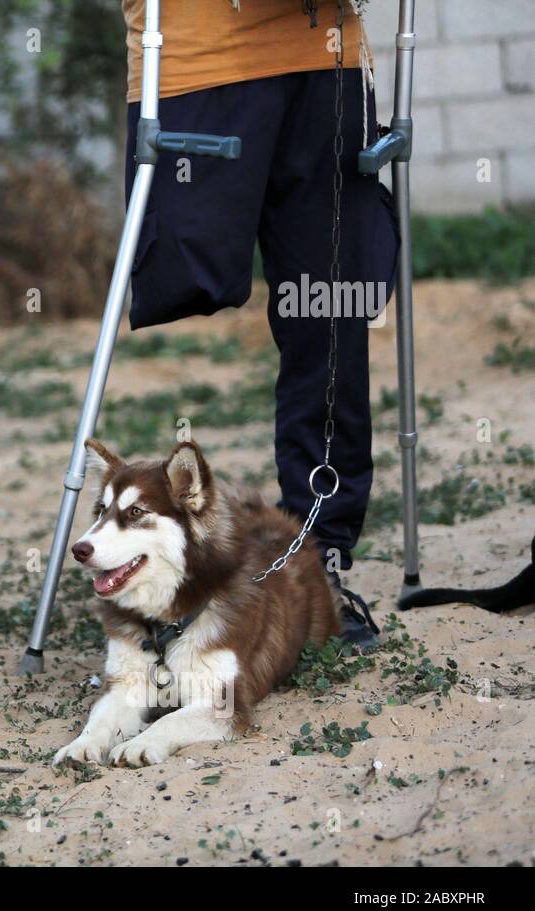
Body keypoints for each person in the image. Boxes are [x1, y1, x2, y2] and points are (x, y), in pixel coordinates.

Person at [120, 0, 391, 650]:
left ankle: (320, 554)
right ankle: (154, 553)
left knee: (329, 313)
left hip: (324, 53)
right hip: (196, 56)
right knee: (178, 275)